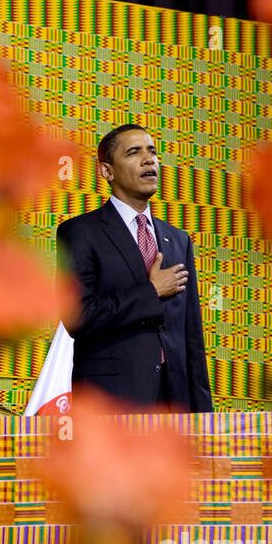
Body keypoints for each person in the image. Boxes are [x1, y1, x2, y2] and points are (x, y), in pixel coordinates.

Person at [56, 123, 213, 411]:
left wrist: (205, 421)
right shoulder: (80, 232)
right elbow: (77, 316)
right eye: (134, 152)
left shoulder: (179, 240)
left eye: (152, 152)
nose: (149, 159)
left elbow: (192, 339)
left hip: (174, 403)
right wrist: (151, 293)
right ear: (107, 171)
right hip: (111, 402)